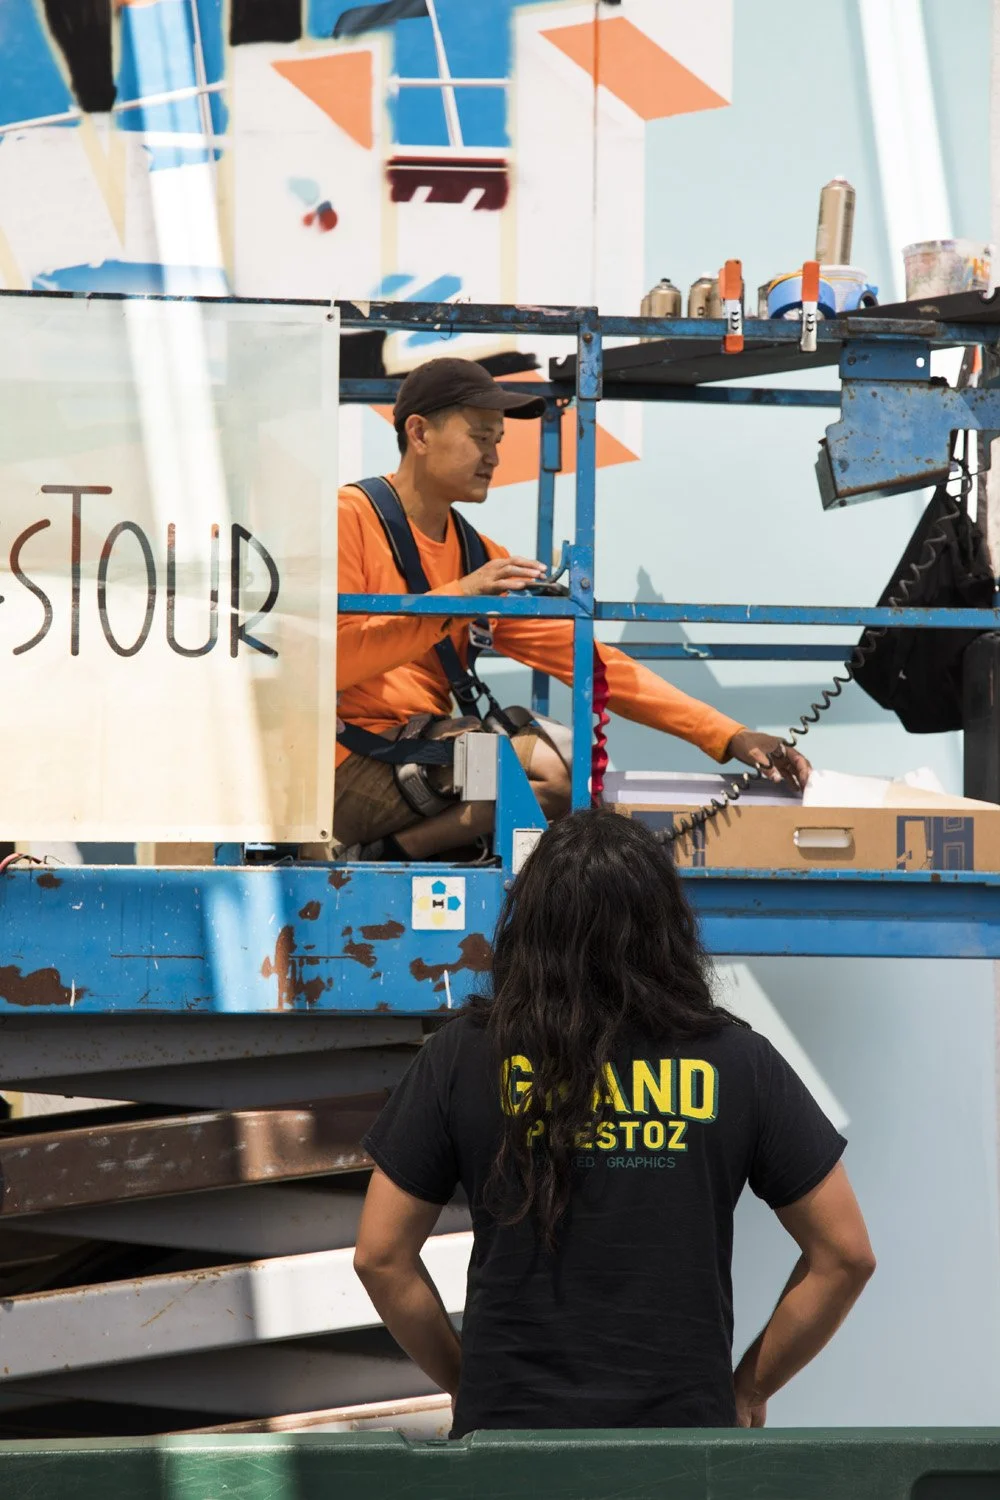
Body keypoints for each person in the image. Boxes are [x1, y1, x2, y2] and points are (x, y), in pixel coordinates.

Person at [354, 808, 874, 1433]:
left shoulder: (462, 1055)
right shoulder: (740, 1060)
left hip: (507, 1449)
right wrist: (745, 1389)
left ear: (531, 921)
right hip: (679, 1452)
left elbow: (380, 1256)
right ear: (667, 925)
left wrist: (474, 1386)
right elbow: (845, 1256)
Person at [316, 356, 809, 861]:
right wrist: (459, 598)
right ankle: (371, 852)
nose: (493, 457)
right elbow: (331, 663)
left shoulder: (474, 553)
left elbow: (593, 663)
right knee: (543, 769)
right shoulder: (347, 519)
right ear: (418, 433)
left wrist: (728, 735)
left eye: (498, 442)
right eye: (479, 437)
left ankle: (380, 855)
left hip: (417, 761)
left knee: (570, 770)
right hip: (337, 768)